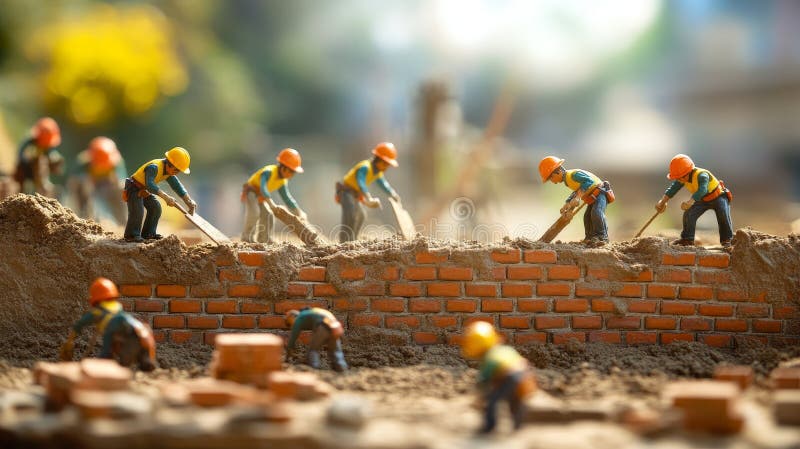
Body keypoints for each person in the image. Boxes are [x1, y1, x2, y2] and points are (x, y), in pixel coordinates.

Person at [59, 277, 156, 371]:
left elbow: (80, 323)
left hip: (129, 338)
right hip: (143, 335)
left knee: (110, 352)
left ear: (96, 299)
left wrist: (70, 340)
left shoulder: (99, 313)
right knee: (138, 357)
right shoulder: (118, 309)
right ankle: (145, 362)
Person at [461, 321, 536, 434]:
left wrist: (480, 395)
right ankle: (518, 425)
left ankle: (489, 427)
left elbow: (485, 378)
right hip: (523, 373)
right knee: (516, 401)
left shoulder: (490, 357)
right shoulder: (505, 349)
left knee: (492, 400)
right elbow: (522, 363)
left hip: (510, 376)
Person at [656, 154, 733, 247]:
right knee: (689, 214)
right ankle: (687, 239)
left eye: (680, 177)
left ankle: (727, 240)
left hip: (718, 196)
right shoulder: (683, 178)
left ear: (688, 172)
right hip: (702, 199)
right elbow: (673, 188)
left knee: (723, 214)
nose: (679, 180)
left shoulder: (702, 175)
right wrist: (663, 201)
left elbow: (702, 190)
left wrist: (690, 201)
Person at [123, 147, 197, 242]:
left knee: (155, 207)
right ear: (170, 165)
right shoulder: (154, 167)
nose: (177, 173)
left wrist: (188, 201)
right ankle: (132, 235)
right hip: (133, 188)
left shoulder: (168, 172)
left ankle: (149, 234)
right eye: (177, 170)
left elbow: (177, 186)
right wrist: (166, 197)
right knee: (137, 211)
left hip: (143, 190)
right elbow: (150, 185)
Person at [538, 156, 615, 244]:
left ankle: (602, 237)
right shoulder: (568, 181)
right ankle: (589, 238)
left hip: (601, 193)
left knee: (597, 212)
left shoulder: (574, 175)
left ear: (558, 172)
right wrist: (567, 203)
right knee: (587, 217)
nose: (553, 182)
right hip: (592, 197)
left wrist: (578, 197)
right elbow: (577, 190)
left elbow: (588, 181)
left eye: (551, 178)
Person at [336, 142, 401, 242]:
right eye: (385, 164)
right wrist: (368, 197)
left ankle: (353, 240)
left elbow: (383, 184)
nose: (386, 167)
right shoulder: (365, 167)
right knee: (350, 214)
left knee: (361, 215)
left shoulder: (377, 172)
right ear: (379, 160)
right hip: (346, 191)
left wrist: (392, 193)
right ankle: (344, 242)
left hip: (355, 194)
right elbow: (361, 182)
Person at [241, 148, 306, 243]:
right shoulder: (269, 172)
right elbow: (263, 188)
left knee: (268, 214)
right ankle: (247, 237)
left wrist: (298, 212)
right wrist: (271, 203)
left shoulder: (282, 181)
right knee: (255, 212)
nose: (292, 175)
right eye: (291, 171)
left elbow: (287, 198)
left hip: (261, 196)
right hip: (251, 191)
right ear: (284, 168)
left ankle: (264, 238)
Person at [70, 136, 127, 224]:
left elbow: (120, 180)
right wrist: (87, 186)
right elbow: (73, 181)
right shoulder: (82, 162)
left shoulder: (116, 162)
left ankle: (123, 221)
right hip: (87, 185)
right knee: (80, 186)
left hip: (107, 184)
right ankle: (84, 219)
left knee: (121, 189)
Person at [285, 307, 347, 372]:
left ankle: (314, 369)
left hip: (323, 326)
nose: (291, 326)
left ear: (293, 316)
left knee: (313, 350)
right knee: (335, 350)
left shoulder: (299, 318)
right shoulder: (310, 312)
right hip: (335, 326)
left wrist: (289, 351)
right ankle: (342, 368)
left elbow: (293, 337)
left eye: (289, 323)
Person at [14, 117, 64, 197]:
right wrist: (26, 161)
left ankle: (44, 189)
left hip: (40, 173)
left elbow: (52, 155)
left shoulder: (49, 147)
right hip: (25, 169)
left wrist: (55, 161)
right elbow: (20, 153)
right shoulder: (30, 141)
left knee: (42, 163)